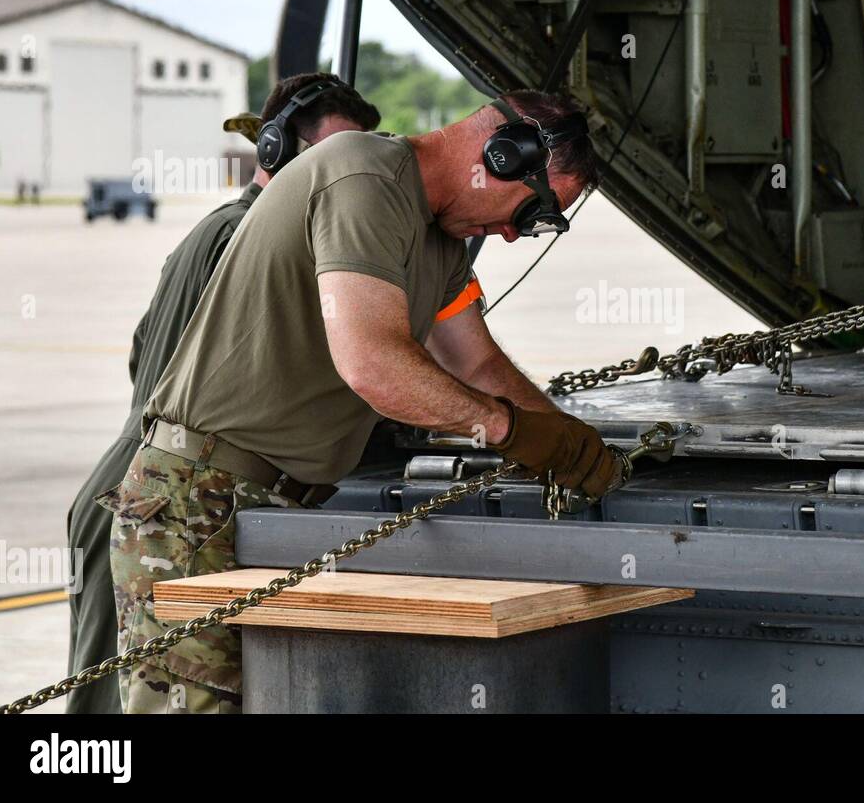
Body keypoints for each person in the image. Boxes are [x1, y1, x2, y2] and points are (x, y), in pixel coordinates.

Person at [97, 88, 619, 714]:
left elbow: (477, 364)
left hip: (271, 506)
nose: (512, 235)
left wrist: (567, 440)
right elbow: (373, 364)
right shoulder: (363, 178)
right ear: (502, 155)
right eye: (531, 210)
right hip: (197, 501)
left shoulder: (440, 242)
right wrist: (512, 431)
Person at [64, 73, 381, 714]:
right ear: (275, 148)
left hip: (136, 487)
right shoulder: (252, 241)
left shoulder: (217, 229)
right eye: (331, 157)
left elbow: (142, 351)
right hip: (158, 499)